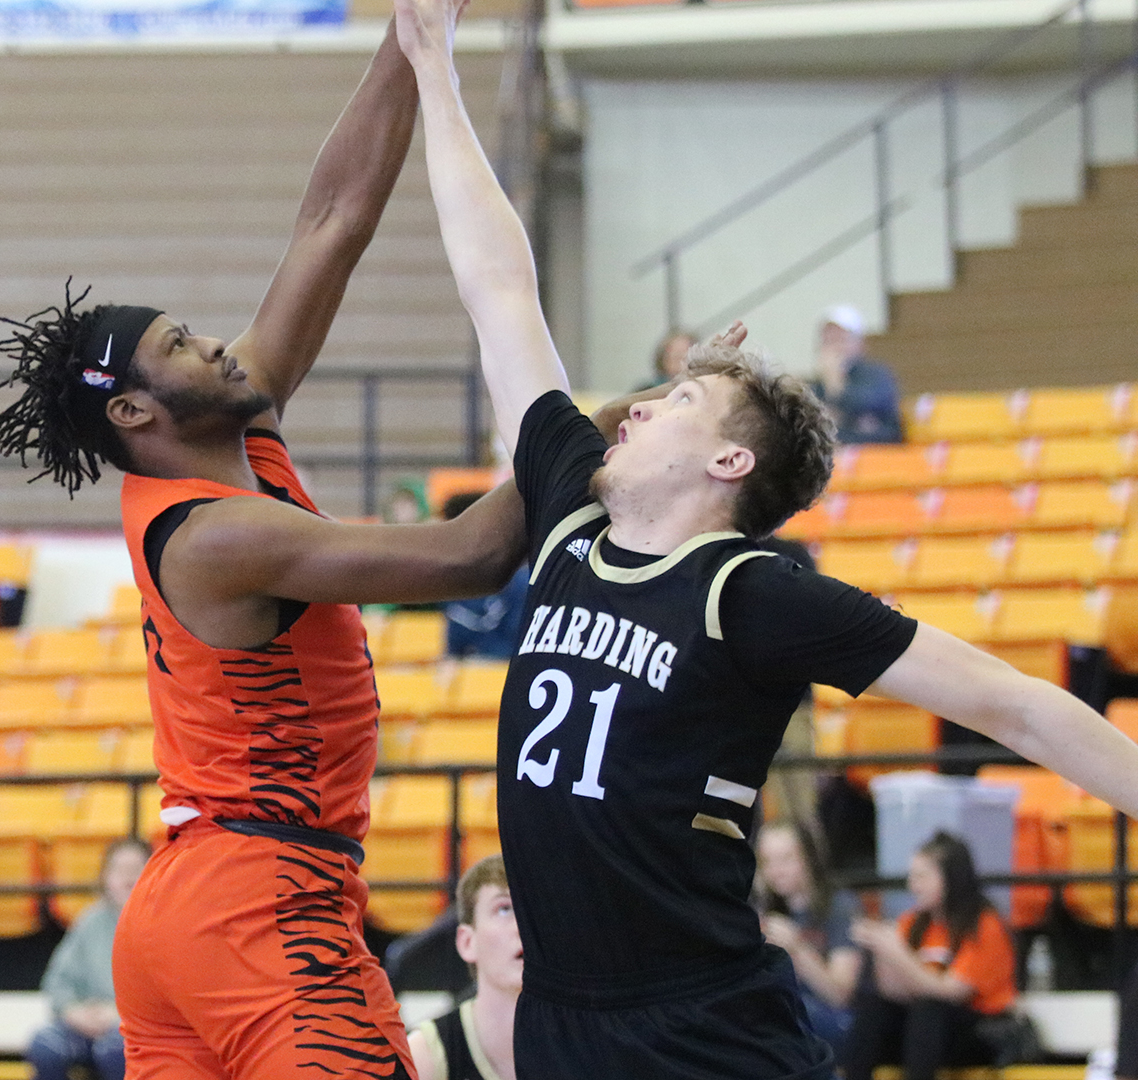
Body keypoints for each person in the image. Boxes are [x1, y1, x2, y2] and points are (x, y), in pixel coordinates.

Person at [391, 1, 1138, 1077]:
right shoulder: (568, 514)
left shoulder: (752, 595)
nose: (638, 406)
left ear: (730, 464)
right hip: (563, 1019)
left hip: (702, 1025)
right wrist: (436, 75)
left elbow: (1012, 702)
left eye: (678, 401)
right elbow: (501, 289)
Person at [0, 15, 642, 1073]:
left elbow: (333, 219)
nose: (215, 340)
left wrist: (408, 45)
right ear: (137, 414)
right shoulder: (213, 537)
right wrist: (624, 426)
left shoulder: (233, 426)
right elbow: (466, 559)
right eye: (180, 345)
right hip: (260, 899)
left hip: (190, 904)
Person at [841, 832, 1016, 1080]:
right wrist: (880, 949)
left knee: (929, 1009)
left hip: (978, 1029)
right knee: (874, 1009)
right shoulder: (912, 922)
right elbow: (892, 991)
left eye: (922, 877)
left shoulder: (985, 925)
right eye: (912, 877)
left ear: (951, 878)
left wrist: (898, 953)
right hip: (924, 1032)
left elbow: (951, 991)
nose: (914, 886)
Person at [26, 838, 150, 1080]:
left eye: (136, 869)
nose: (127, 877)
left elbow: (167, 996)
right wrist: (73, 1012)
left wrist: (118, 1016)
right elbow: (58, 981)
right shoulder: (90, 921)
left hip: (136, 1030)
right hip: (85, 1023)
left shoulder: (164, 923)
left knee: (114, 1049)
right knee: (46, 1045)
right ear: (105, 877)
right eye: (119, 869)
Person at [409, 854, 522, 1080]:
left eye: (534, 910)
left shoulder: (591, 1041)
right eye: (504, 909)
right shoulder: (425, 1056)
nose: (523, 926)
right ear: (467, 942)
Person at [756, 821, 861, 1054]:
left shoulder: (839, 906)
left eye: (786, 859)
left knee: (778, 1015)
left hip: (834, 1018)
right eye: (767, 862)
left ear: (809, 858)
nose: (776, 870)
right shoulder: (762, 911)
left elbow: (839, 995)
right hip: (784, 1015)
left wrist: (796, 947)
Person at [438, 492, 531, 660]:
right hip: (467, 673)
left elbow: (517, 647)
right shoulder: (453, 581)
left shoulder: (521, 583)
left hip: (497, 674)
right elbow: (454, 646)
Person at [811, 304, 904, 445]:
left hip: (880, 455)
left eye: (840, 339)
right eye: (828, 341)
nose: (834, 348)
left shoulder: (876, 374)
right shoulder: (817, 385)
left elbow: (869, 405)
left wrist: (835, 384)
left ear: (859, 343)